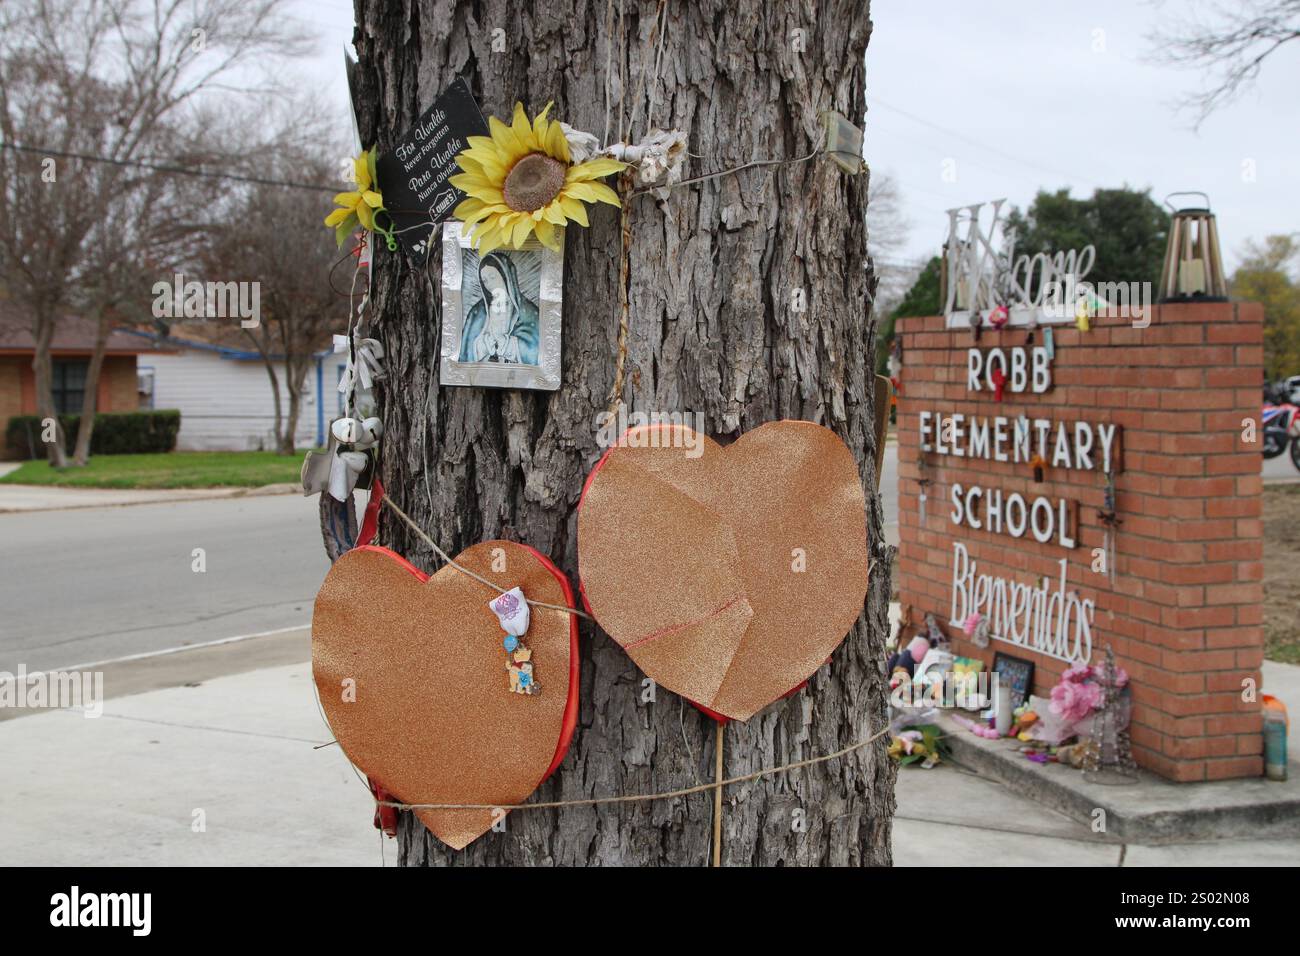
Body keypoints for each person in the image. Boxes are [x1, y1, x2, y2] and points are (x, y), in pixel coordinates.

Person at [458, 252, 539, 365]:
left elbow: (535, 349)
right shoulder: (478, 312)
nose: (489, 284)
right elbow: (466, 349)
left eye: (492, 277)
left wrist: (508, 344)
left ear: (506, 276)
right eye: (485, 281)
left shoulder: (528, 311)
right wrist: (484, 344)